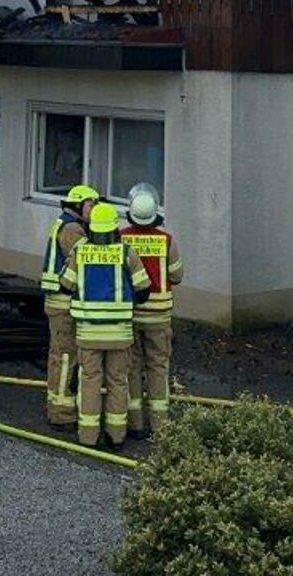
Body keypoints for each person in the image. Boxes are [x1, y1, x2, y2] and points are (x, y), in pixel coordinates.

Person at [60, 201, 151, 448]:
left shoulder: (80, 251)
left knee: (89, 382)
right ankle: (116, 436)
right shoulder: (126, 252)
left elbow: (65, 286)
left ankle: (88, 437)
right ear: (114, 228)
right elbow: (144, 290)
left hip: (88, 332)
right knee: (118, 382)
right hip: (120, 334)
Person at [122, 184, 184, 439]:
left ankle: (135, 424)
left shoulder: (122, 238)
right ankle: (160, 425)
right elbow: (177, 276)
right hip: (159, 316)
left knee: (132, 367)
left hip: (131, 314)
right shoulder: (167, 240)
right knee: (158, 367)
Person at [37, 184, 97, 427]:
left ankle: (56, 405)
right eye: (91, 204)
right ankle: (61, 414)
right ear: (78, 205)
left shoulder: (63, 223)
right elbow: (85, 262)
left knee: (58, 357)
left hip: (57, 302)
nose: (94, 209)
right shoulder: (73, 229)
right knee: (65, 359)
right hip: (64, 304)